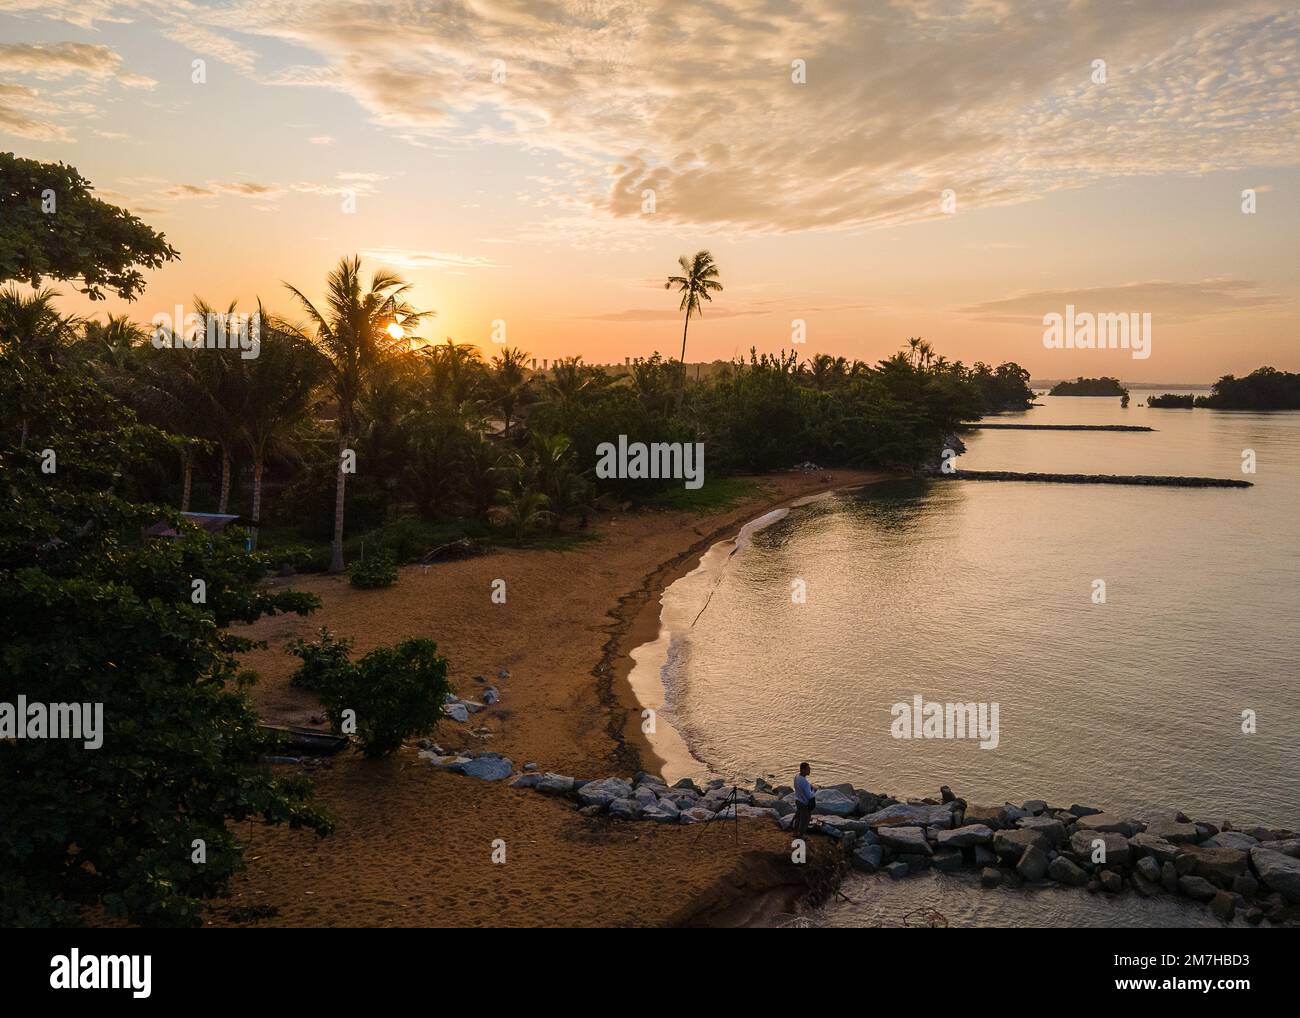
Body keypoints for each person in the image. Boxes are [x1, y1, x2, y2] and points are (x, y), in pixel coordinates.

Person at [792, 761, 815, 836]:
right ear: (802, 770)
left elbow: (798, 787)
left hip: (798, 800)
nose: (809, 771)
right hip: (804, 803)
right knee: (805, 820)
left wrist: (809, 787)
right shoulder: (804, 782)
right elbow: (809, 795)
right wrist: (814, 791)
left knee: (798, 817)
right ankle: (802, 835)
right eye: (808, 769)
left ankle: (795, 832)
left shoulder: (796, 777)